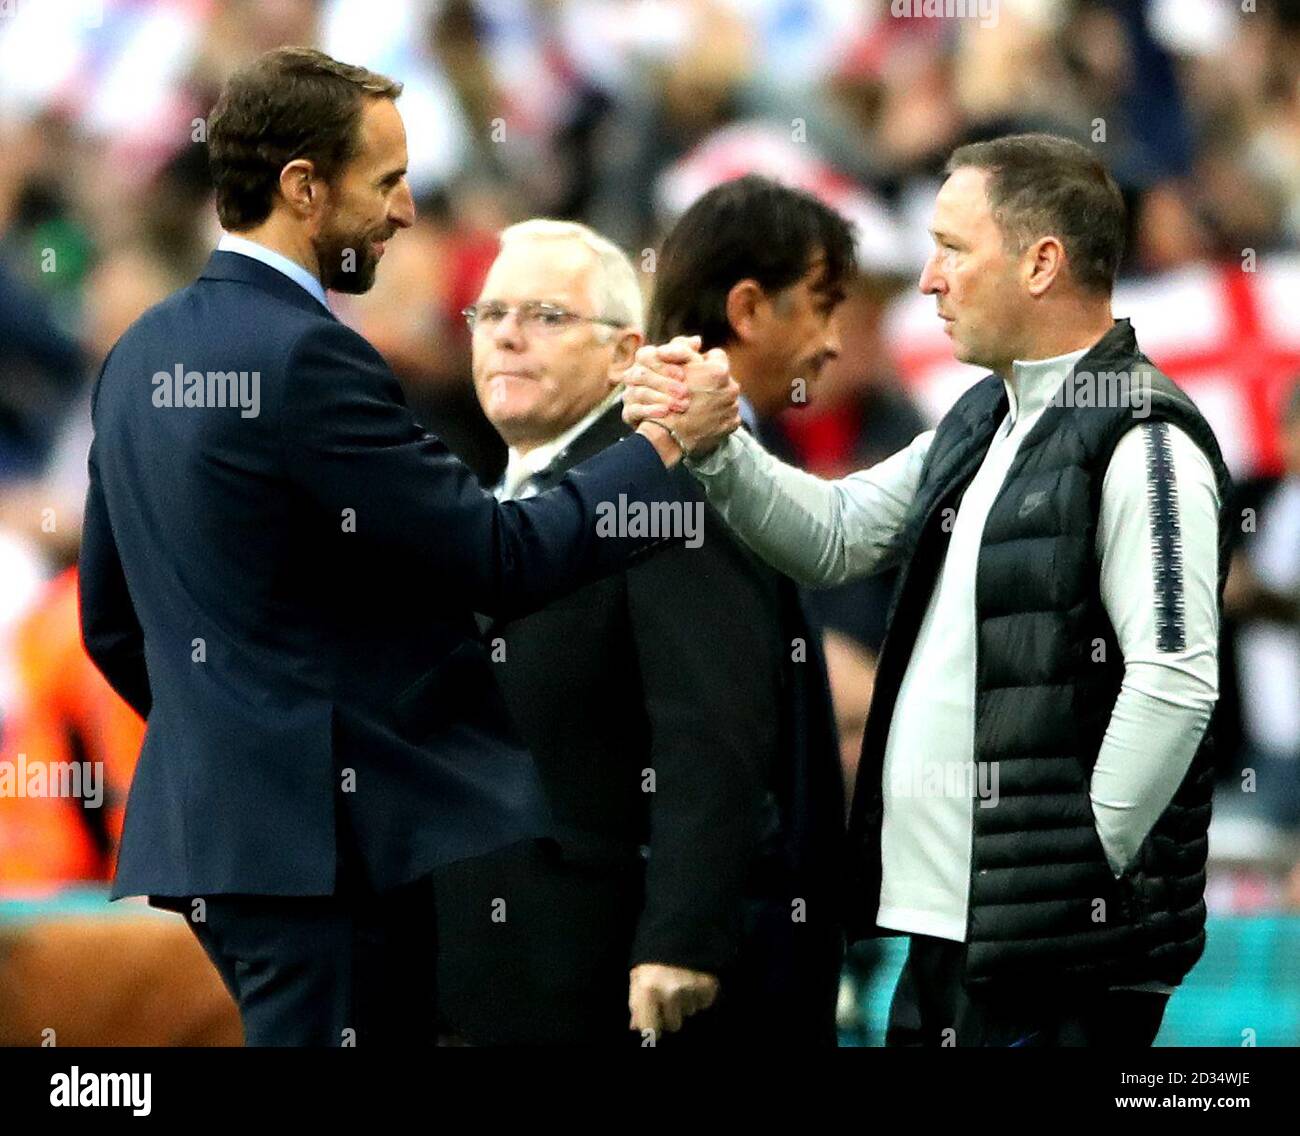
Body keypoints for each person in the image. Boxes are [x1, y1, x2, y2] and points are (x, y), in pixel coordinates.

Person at [77, 47, 707, 1047]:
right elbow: (499, 557)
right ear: (303, 188)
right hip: (319, 849)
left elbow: (110, 623)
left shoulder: (140, 352)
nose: (406, 211)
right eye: (386, 181)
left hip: (221, 840)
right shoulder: (308, 355)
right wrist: (664, 441)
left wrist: (234, 740)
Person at [624, 134, 1233, 1046]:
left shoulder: (1145, 438)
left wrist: (1072, 876)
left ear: (1041, 263)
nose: (929, 280)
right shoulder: (982, 417)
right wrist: (717, 444)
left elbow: (1175, 679)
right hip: (949, 939)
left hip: (1052, 960)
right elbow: (832, 536)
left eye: (954, 248)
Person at [435, 210, 846, 1045]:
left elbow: (715, 725)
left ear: (626, 355)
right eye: (492, 314)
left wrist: (682, 936)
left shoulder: (666, 489)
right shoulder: (484, 499)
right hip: (487, 967)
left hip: (608, 973)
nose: (508, 338)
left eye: (547, 317)